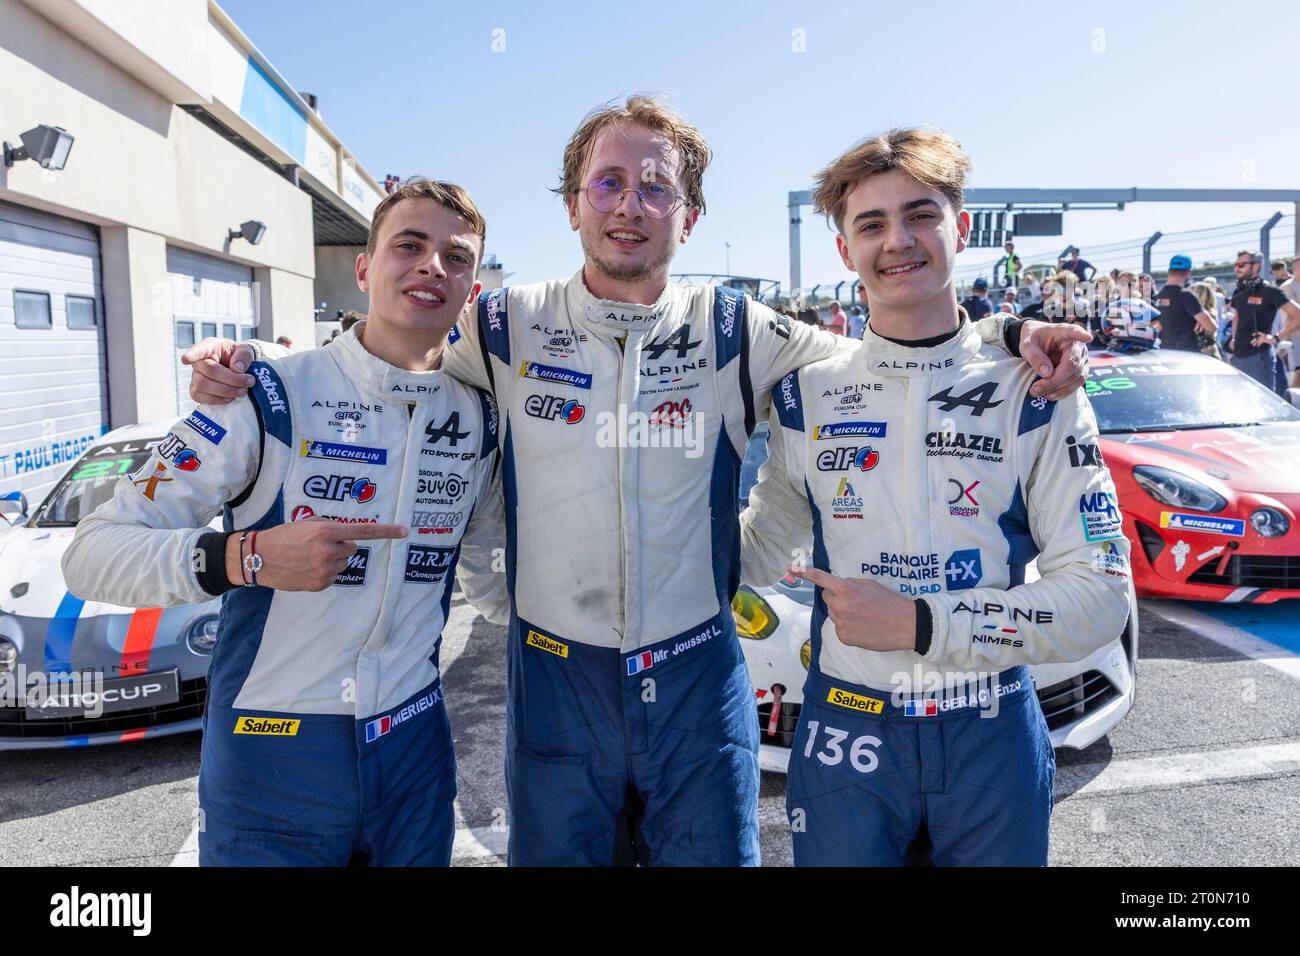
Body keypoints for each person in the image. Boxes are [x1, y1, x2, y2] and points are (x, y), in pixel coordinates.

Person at [184, 97, 1089, 868]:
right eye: (609, 184)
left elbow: (892, 356)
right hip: (553, 677)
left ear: (687, 216)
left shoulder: (741, 328)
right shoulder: (502, 324)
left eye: (656, 187)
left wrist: (1014, 334)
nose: (631, 205)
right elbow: (387, 353)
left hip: (697, 675)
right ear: (575, 206)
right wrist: (257, 361)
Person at [62, 179, 505, 866]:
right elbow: (91, 553)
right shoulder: (262, 394)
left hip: (414, 752)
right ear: (364, 268)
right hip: (273, 757)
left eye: (456, 257)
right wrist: (247, 557)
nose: (431, 267)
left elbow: (496, 578)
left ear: (472, 286)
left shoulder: (479, 417)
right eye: (409, 246)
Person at [739, 126, 1125, 867]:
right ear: (845, 249)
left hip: (990, 729)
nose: (899, 241)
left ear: (962, 227)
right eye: (872, 224)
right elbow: (758, 550)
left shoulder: (1036, 384)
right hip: (847, 729)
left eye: (921, 215)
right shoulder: (805, 392)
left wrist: (919, 623)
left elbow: (1102, 598)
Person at [1227, 250, 1300, 389]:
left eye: (1242, 264)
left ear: (1256, 266)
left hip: (1259, 358)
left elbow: (1298, 315)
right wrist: (1234, 339)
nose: (1237, 268)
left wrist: (1275, 338)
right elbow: (1237, 316)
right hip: (1237, 356)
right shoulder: (1239, 291)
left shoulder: (1271, 292)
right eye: (1236, 264)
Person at [1151, 255, 1218, 352]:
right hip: (1186, 354)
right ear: (1188, 272)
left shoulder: (1159, 296)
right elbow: (1211, 327)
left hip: (1164, 352)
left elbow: (1155, 325)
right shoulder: (1186, 295)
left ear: (1169, 270)